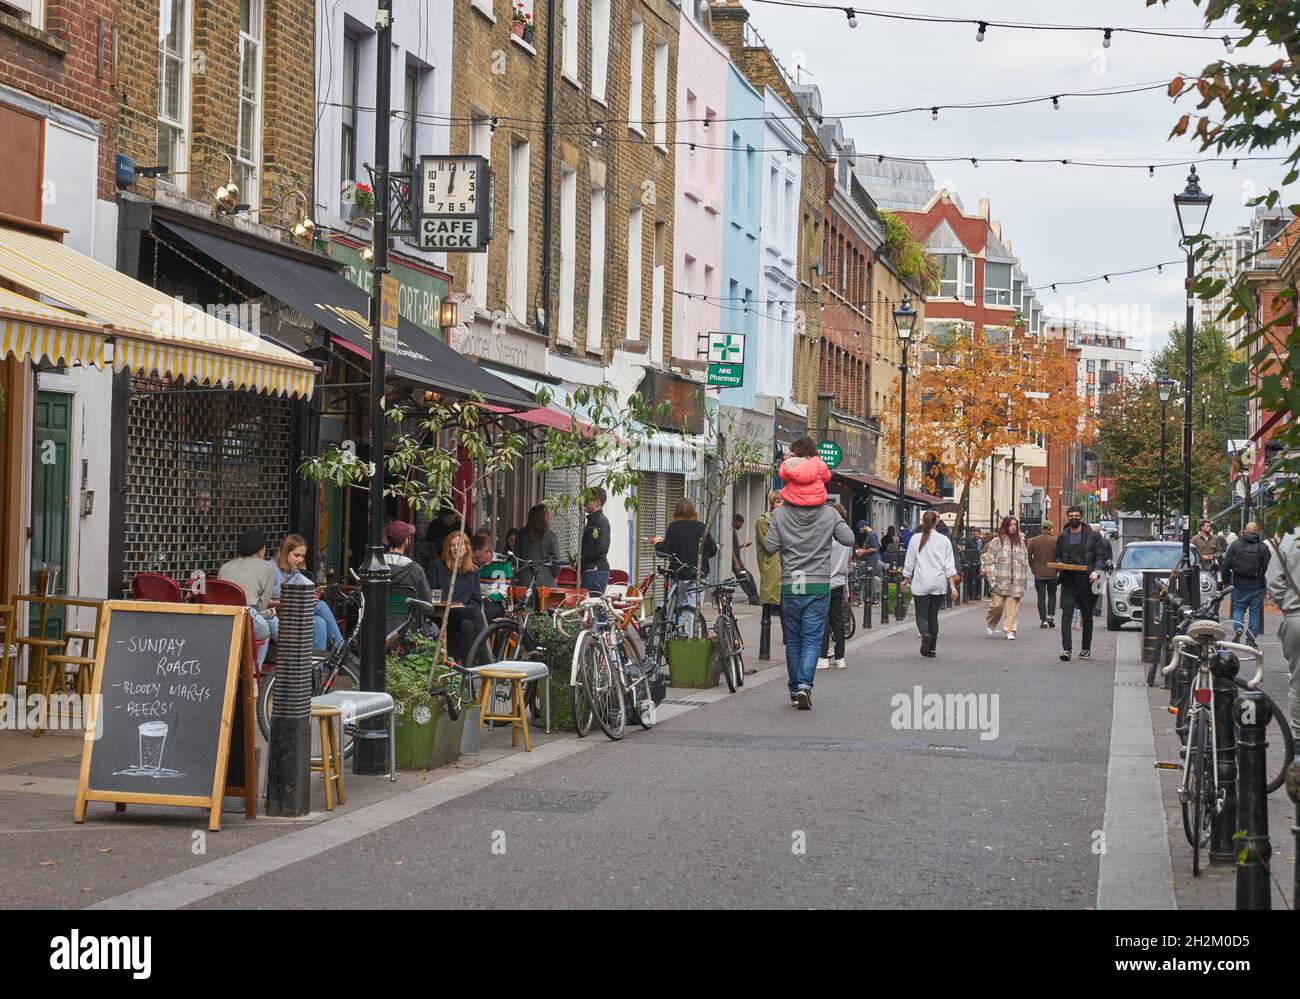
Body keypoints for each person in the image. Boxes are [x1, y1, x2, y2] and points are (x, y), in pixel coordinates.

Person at [762, 490, 856, 709]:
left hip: (791, 582)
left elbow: (770, 546)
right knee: (813, 639)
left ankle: (794, 689)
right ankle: (805, 685)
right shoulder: (829, 514)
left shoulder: (781, 513)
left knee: (793, 640)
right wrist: (833, 521)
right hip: (818, 583)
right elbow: (849, 538)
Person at [1055, 505, 1111, 661]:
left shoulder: (1093, 536)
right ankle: (1067, 649)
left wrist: (1096, 570)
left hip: (1086, 580)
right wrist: (1059, 564)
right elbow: (1058, 556)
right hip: (1068, 579)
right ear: (1067, 517)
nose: (1073, 518)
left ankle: (1086, 648)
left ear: (1082, 517)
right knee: (1066, 614)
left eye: (1076, 516)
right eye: (1071, 515)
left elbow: (1101, 556)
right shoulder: (1062, 537)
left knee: (1086, 615)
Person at [273, 534, 345, 653]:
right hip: (279, 617)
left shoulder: (296, 574)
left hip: (295, 614)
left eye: (302, 556)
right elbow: (267, 600)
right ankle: (341, 649)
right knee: (320, 606)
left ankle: (316, 669)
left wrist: (312, 597)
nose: (300, 560)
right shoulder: (272, 570)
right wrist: (300, 600)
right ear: (286, 552)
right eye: (296, 555)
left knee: (319, 622)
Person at [218, 530, 280, 665]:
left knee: (269, 619)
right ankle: (254, 675)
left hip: (224, 620)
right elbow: (261, 606)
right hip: (249, 616)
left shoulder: (225, 567)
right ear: (262, 549)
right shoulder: (268, 568)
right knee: (268, 623)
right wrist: (268, 613)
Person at [903, 511, 959, 658]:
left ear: (923, 521)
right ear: (936, 522)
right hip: (938, 582)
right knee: (933, 616)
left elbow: (910, 562)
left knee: (921, 615)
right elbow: (949, 566)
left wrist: (906, 578)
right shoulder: (944, 540)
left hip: (921, 581)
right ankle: (932, 649)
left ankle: (925, 634)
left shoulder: (915, 539)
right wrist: (952, 586)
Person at [428, 531, 485, 660]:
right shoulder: (437, 566)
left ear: (466, 548)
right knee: (476, 614)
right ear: (447, 548)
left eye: (459, 545)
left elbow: (476, 602)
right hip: (442, 614)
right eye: (452, 545)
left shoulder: (474, 571)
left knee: (467, 625)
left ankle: (467, 669)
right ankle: (484, 658)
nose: (455, 548)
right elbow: (432, 595)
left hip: (464, 614)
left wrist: (463, 608)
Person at [653, 498, 718, 607]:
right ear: (693, 511)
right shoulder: (701, 527)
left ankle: (676, 622)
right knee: (693, 607)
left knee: (677, 607)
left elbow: (665, 549)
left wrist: (657, 543)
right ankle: (692, 623)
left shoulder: (673, 527)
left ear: (676, 511)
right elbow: (712, 550)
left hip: (679, 573)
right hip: (698, 573)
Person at [1266, 528, 1300, 735]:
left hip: (1296, 616)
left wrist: (1286, 605)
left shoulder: (1290, 537)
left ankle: (1298, 739)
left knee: (1298, 682)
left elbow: (1274, 580)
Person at [1222, 521, 1271, 647]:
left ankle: (1238, 628)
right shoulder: (1262, 547)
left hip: (1239, 584)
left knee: (1238, 608)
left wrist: (1226, 581)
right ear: (1257, 532)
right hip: (1257, 586)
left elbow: (1226, 563)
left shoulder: (1235, 545)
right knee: (1254, 613)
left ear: (1244, 531)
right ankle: (1250, 641)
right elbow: (1268, 567)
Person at [982, 515, 1030, 640]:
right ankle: (990, 623)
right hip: (1000, 580)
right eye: (1010, 525)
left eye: (1015, 525)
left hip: (1016, 581)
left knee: (1012, 608)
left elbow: (1025, 563)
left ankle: (1010, 630)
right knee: (997, 606)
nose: (1013, 527)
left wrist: (1025, 583)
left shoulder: (1021, 543)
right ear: (1005, 525)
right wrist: (991, 578)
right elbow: (989, 561)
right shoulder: (997, 542)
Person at [817, 502, 853, 670]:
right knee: (838, 620)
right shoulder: (847, 536)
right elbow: (848, 561)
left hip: (824, 581)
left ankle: (822, 656)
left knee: (823, 620)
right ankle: (840, 657)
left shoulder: (827, 534)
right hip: (839, 581)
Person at [383, 521, 432, 636]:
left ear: (387, 540)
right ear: (406, 541)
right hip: (408, 631)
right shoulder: (416, 571)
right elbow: (427, 607)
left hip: (377, 627)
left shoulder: (374, 567)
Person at [755, 490, 785, 644]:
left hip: (785, 564)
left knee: (785, 605)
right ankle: (764, 646)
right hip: (772, 565)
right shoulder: (763, 521)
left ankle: (788, 637)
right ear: (773, 504)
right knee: (770, 603)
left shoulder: (786, 518)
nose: (782, 504)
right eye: (779, 502)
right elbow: (769, 545)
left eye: (783, 501)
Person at [516, 504, 563, 588]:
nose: (550, 516)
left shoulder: (521, 534)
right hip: (546, 581)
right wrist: (554, 574)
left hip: (524, 581)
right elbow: (557, 562)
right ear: (541, 516)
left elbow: (516, 558)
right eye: (548, 513)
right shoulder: (551, 536)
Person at [778, 436, 831, 506]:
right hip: (816, 500)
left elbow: (782, 475)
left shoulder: (790, 463)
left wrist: (787, 460)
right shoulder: (820, 464)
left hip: (793, 499)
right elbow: (827, 477)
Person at [472, 530, 511, 622]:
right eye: (473, 558)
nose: (475, 561)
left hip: (495, 602)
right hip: (475, 601)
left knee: (481, 613)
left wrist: (487, 599)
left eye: (478, 558)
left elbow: (503, 591)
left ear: (487, 551)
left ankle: (484, 636)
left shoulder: (502, 562)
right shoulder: (472, 564)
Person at [579, 487, 612, 594]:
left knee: (591, 606)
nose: (584, 503)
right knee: (592, 606)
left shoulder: (599, 521)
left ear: (597, 502)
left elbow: (601, 547)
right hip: (594, 571)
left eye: (587, 500)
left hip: (594, 571)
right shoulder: (595, 520)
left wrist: (582, 557)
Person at [1027, 519, 1059, 628]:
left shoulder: (1035, 541)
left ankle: (1043, 620)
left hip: (1039, 573)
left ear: (1042, 528)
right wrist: (1057, 569)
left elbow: (1029, 555)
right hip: (1052, 572)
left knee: (1041, 597)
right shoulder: (1055, 541)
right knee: (1052, 595)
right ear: (1051, 529)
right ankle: (1050, 615)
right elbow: (1059, 556)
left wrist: (1033, 566)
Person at [731, 514, 761, 605]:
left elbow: (734, 547)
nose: (741, 526)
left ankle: (754, 597)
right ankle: (754, 598)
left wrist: (743, 545)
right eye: (741, 524)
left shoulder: (732, 531)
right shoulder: (730, 531)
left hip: (737, 559)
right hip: (735, 560)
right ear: (737, 522)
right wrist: (736, 563)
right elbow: (730, 549)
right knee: (747, 577)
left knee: (744, 578)